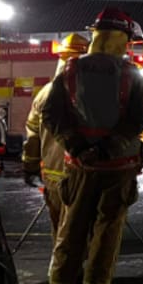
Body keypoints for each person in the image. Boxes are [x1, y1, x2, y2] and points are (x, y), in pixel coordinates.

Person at [41, 8, 143, 284]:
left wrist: (78, 147)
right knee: (108, 229)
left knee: (72, 226)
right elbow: (139, 119)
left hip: (79, 166)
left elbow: (51, 114)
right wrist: (108, 148)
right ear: (123, 38)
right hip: (118, 167)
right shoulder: (131, 76)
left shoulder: (70, 71)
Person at [22, 33, 90, 246]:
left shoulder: (46, 93)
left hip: (53, 176)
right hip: (85, 174)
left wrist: (30, 165)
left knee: (59, 231)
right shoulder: (95, 93)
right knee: (84, 231)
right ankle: (83, 274)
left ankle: (60, 274)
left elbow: (33, 133)